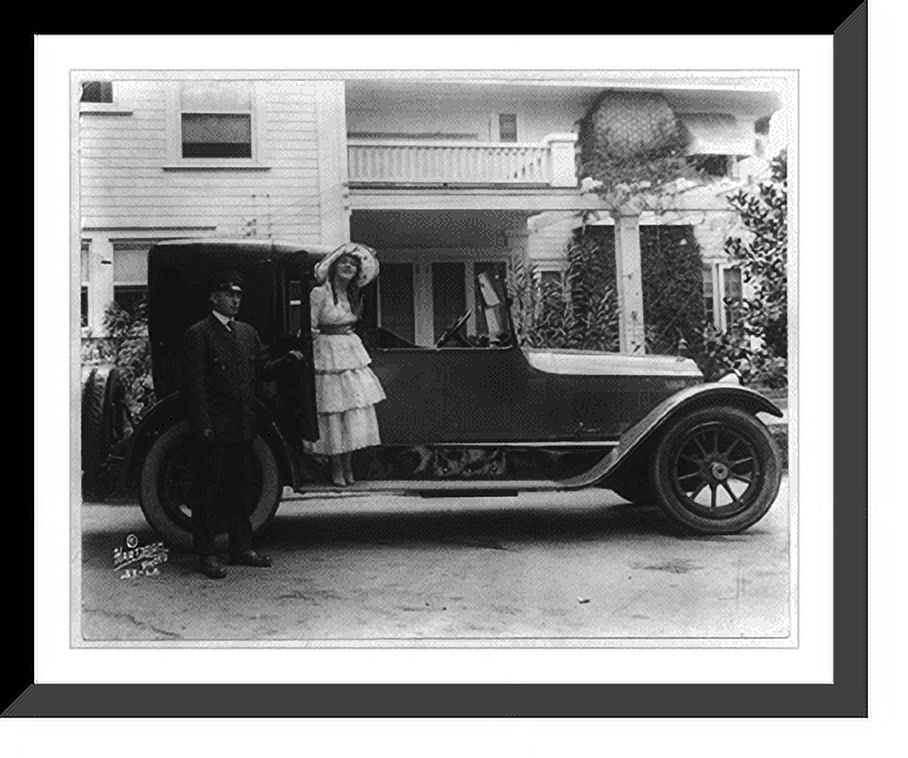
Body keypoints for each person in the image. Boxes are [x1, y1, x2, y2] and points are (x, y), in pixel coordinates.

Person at [182, 271, 302, 579]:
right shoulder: (200, 333)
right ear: (214, 298)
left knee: (240, 491)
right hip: (214, 428)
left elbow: (261, 370)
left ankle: (241, 548)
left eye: (238, 295)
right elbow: (194, 386)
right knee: (207, 494)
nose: (235, 300)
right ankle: (206, 555)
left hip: (243, 426)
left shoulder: (247, 333)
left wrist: (288, 360)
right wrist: (203, 425)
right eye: (228, 294)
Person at [308, 243, 386, 486]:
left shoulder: (352, 296)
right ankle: (336, 467)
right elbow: (310, 326)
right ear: (333, 266)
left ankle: (348, 464)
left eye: (353, 264)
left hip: (350, 349)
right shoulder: (320, 293)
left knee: (352, 409)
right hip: (327, 351)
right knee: (333, 410)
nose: (348, 266)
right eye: (344, 262)